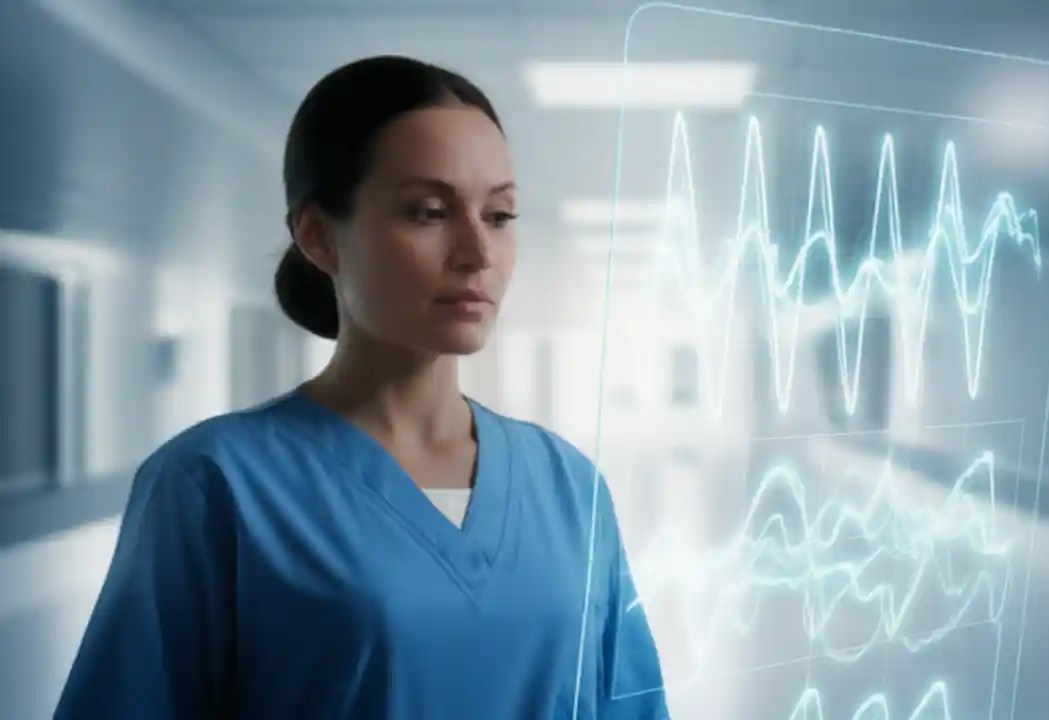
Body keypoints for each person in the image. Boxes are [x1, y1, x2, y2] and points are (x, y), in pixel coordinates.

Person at [54, 55, 668, 719]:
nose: (477, 253)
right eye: (430, 212)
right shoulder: (215, 484)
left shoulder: (569, 488)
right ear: (319, 237)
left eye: (499, 215)